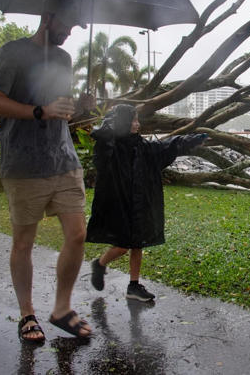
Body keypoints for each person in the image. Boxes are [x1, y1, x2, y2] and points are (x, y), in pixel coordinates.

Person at [0, 0, 94, 343]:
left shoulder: (63, 58)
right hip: (23, 162)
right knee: (24, 242)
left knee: (77, 235)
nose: (70, 32)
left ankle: (62, 309)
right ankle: (27, 314)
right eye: (68, 24)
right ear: (48, 18)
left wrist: (80, 108)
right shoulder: (11, 52)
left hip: (63, 159)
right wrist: (38, 111)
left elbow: (60, 110)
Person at [86, 104, 207, 301]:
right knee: (123, 245)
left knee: (138, 244)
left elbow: (166, 146)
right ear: (124, 122)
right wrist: (115, 119)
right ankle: (99, 264)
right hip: (119, 203)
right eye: (133, 120)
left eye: (137, 120)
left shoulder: (142, 146)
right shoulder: (109, 146)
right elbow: (101, 137)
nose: (137, 124)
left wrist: (189, 141)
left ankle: (133, 286)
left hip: (139, 202)